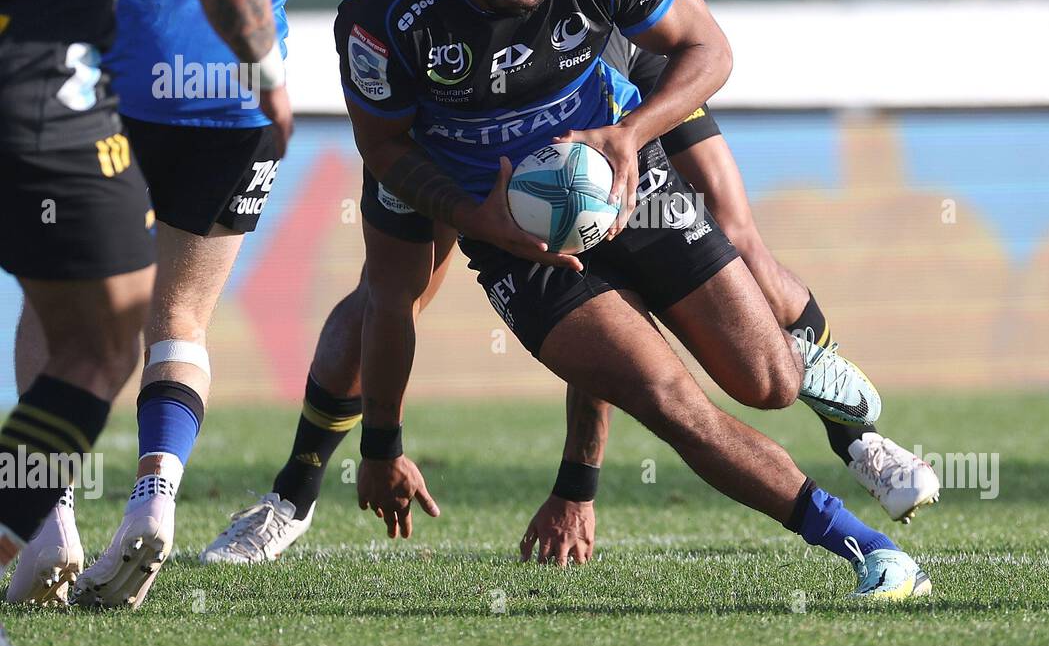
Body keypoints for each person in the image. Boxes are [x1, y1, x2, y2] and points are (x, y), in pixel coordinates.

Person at [259, 0, 928, 597]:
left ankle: (813, 366)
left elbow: (710, 48)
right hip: (515, 242)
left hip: (628, 183)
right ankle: (870, 551)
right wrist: (476, 217)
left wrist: (628, 136)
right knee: (673, 404)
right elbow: (382, 149)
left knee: (767, 382)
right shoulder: (385, 17)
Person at [203, 32, 940, 567]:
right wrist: (385, 448)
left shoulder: (595, 5)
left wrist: (576, 487)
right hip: (484, 161)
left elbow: (697, 45)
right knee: (387, 296)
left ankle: (853, 435)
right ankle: (290, 499)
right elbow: (605, 325)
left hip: (625, 101)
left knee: (739, 241)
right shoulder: (418, 97)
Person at [0, 0, 298, 612]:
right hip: (125, 87)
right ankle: (150, 496)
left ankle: (47, 520)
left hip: (93, 82)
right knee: (139, 328)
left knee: (60, 320)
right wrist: (270, 74)